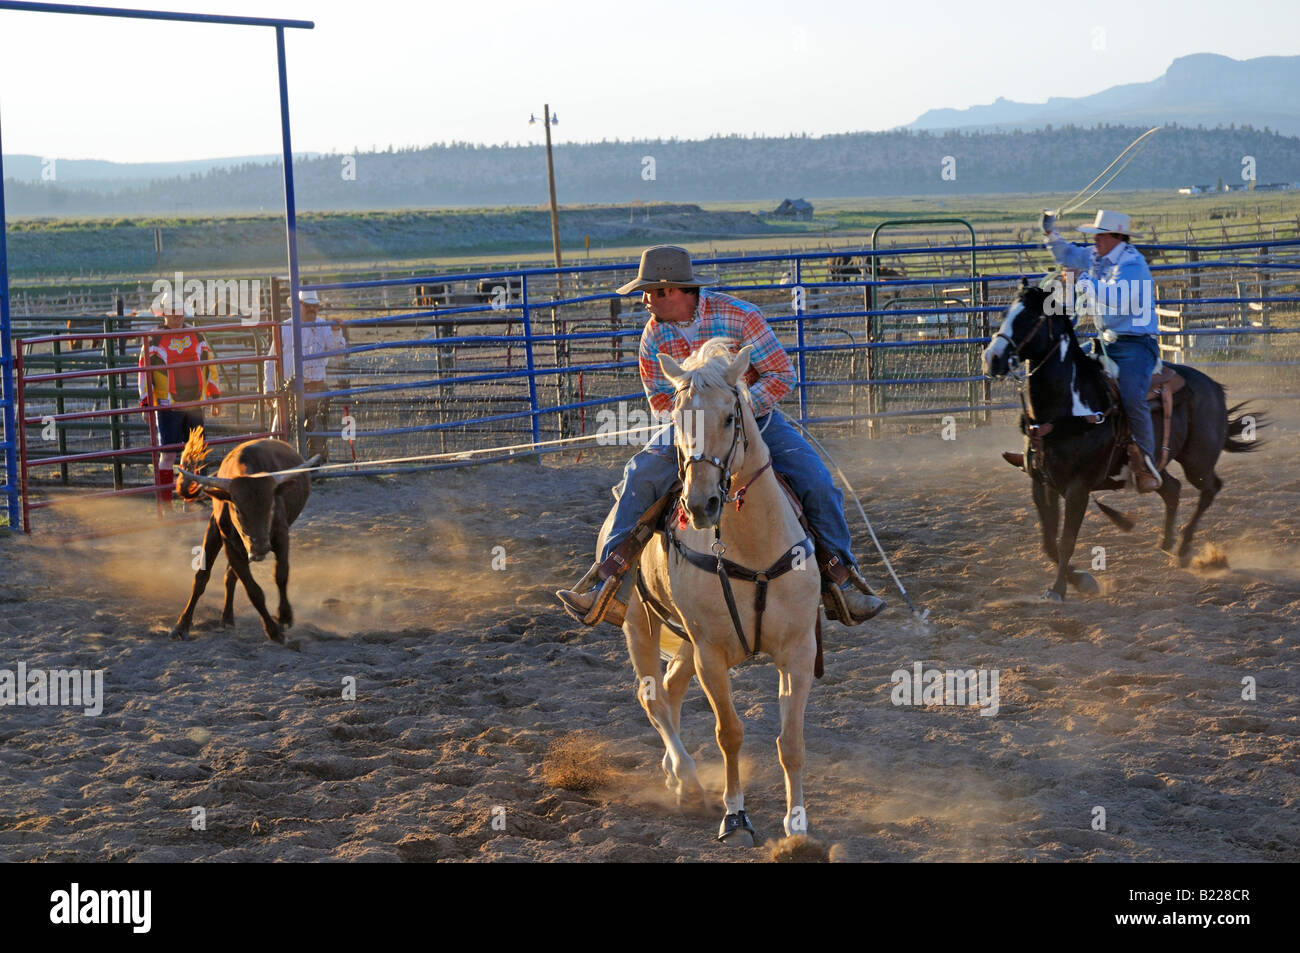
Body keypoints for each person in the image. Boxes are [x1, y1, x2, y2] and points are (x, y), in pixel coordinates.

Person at [557, 245, 886, 627]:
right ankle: (608, 585)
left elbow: (781, 375)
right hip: (691, 432)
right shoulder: (653, 338)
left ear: (673, 291)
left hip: (755, 423)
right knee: (638, 477)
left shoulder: (741, 316)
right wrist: (695, 420)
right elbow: (660, 400)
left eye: (650, 292)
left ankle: (839, 580)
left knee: (817, 483)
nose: (645, 301)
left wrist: (737, 408)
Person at [1038, 209, 1163, 492]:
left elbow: (1118, 299)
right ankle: (1049, 446)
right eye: (1094, 235)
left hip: (1136, 344)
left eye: (1100, 235)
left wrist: (1083, 280)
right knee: (1065, 370)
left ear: (1117, 237)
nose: (1095, 240)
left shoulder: (1133, 264)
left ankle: (1146, 462)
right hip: (1106, 341)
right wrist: (1050, 233)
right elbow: (1067, 255)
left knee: (1132, 398)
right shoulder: (1099, 256)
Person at [137, 291, 221, 503]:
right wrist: (146, 401)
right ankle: (165, 501)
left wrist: (214, 394)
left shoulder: (197, 334)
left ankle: (194, 496)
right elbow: (143, 371)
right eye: (172, 312)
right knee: (168, 455)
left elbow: (210, 364)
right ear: (164, 313)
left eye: (179, 311)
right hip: (168, 407)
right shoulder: (153, 339)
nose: (177, 316)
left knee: (195, 453)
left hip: (195, 404)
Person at [266, 290, 348, 461]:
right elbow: (271, 359)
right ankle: (277, 464)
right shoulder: (285, 327)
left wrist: (336, 331)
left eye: (315, 306)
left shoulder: (325, 326)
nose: (312, 309)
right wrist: (269, 388)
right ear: (298, 306)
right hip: (290, 387)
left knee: (316, 431)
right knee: (281, 430)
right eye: (308, 306)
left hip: (316, 386)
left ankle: (314, 467)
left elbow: (339, 353)